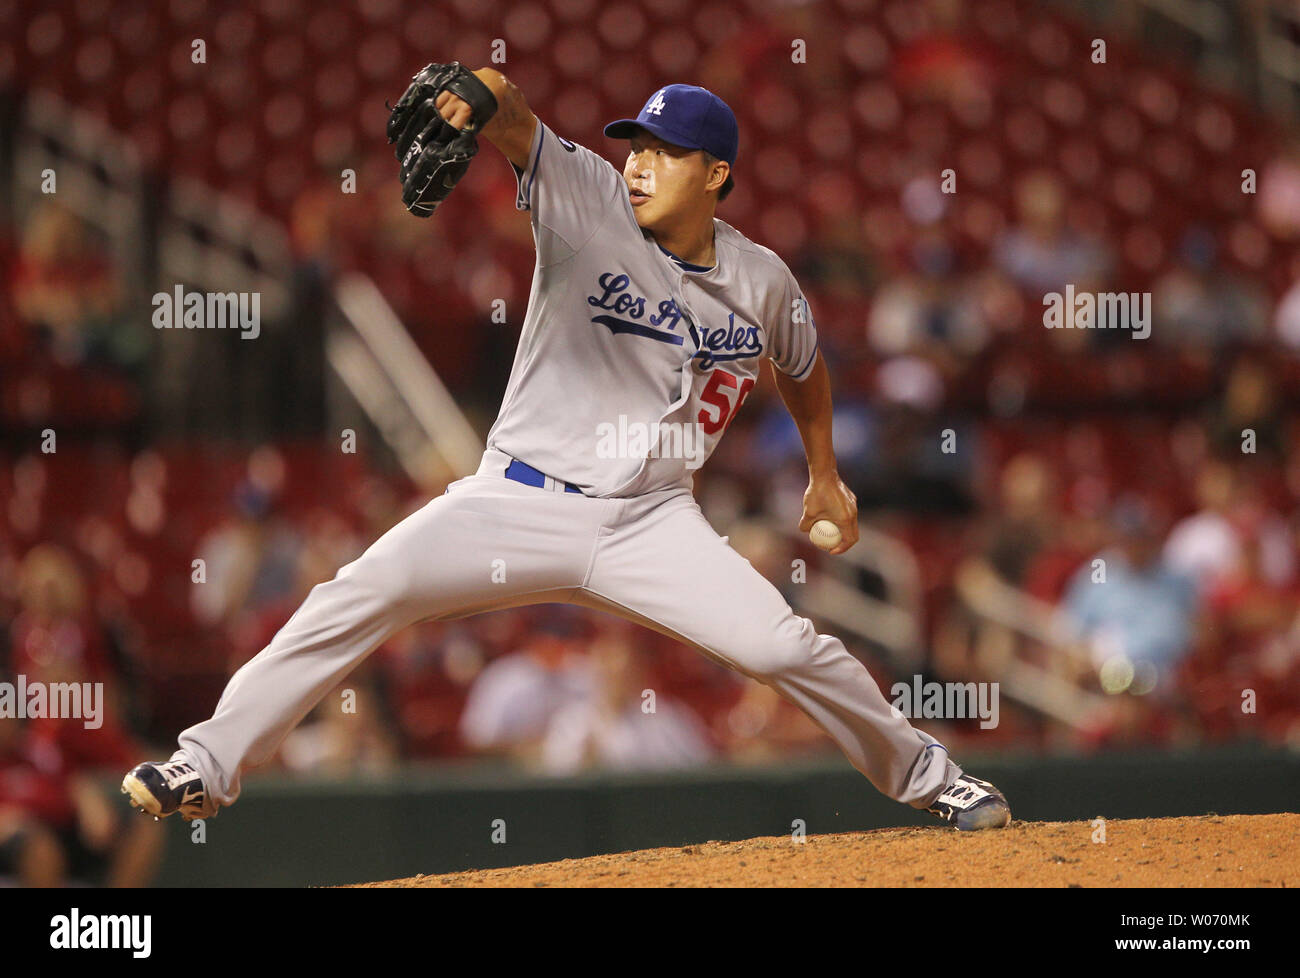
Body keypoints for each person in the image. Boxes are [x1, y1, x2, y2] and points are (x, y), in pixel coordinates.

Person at [123, 71, 1009, 833]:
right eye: (636, 145)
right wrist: (473, 95)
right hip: (516, 501)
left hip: (652, 522)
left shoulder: (763, 279)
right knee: (359, 591)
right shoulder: (587, 203)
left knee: (784, 649)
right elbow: (512, 111)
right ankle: (206, 763)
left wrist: (824, 475)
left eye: (663, 151)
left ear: (717, 175)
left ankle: (932, 776)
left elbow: (804, 366)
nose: (639, 163)